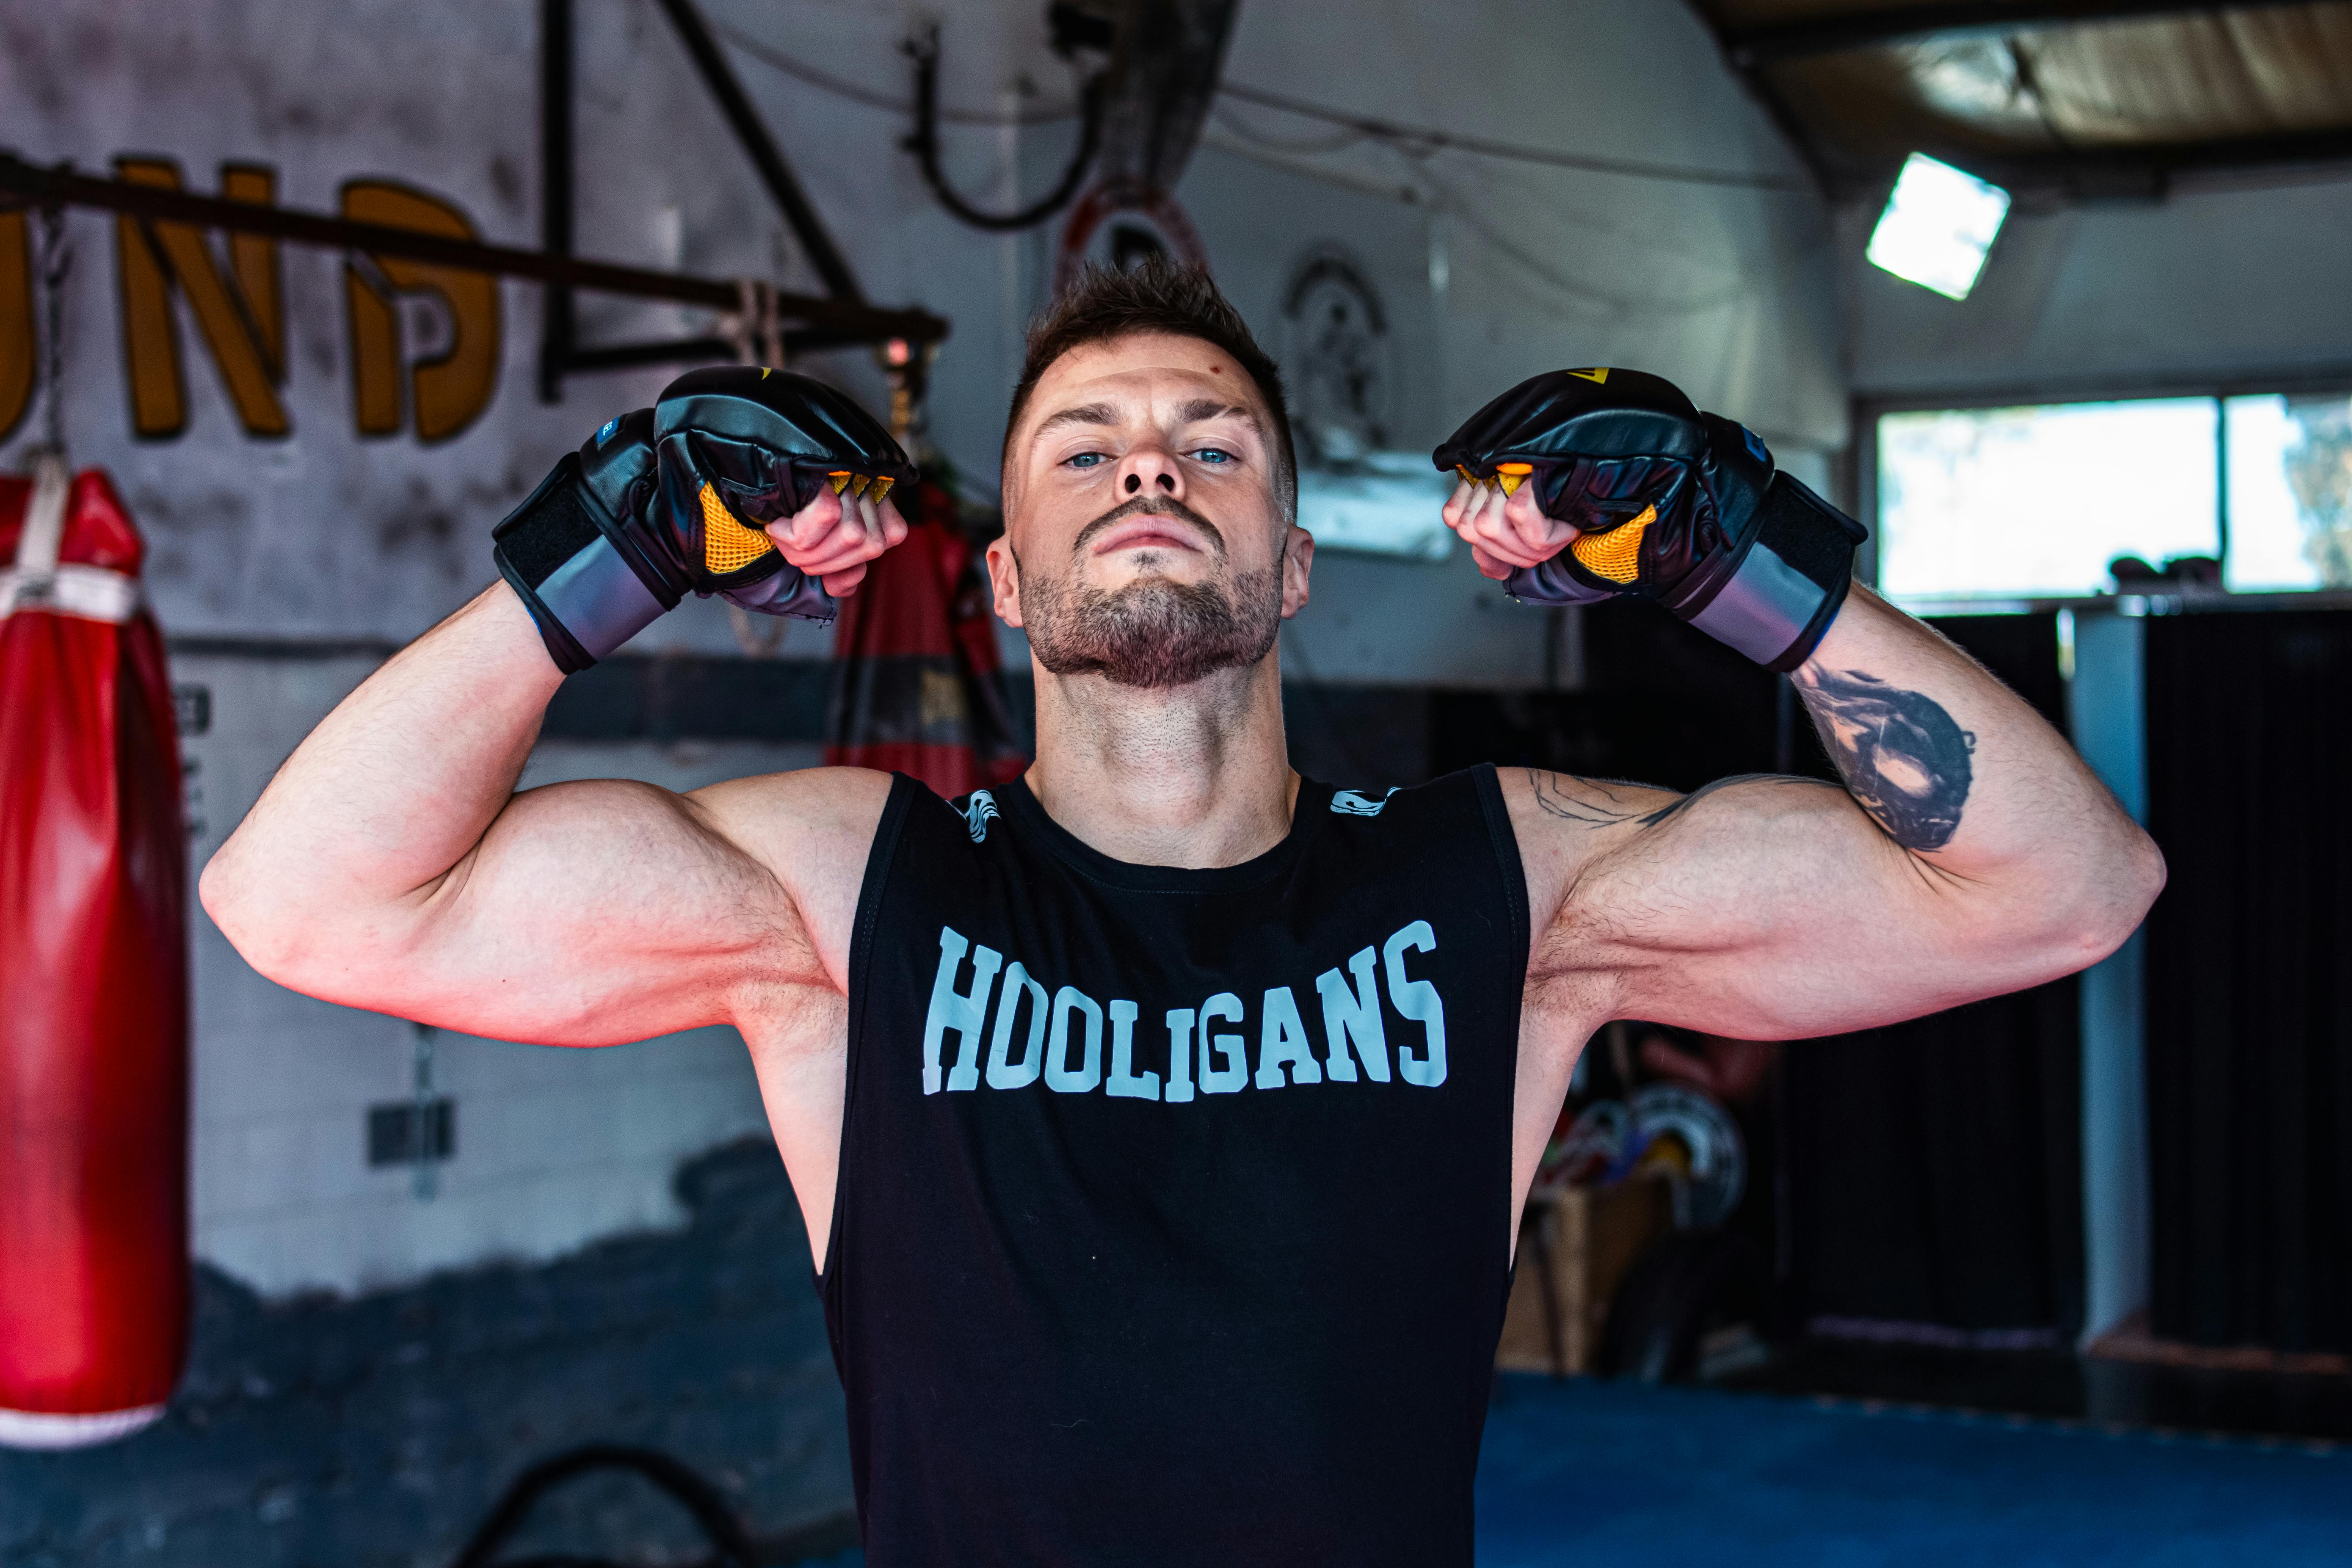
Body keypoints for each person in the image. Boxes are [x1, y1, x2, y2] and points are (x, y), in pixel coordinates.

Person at [203, 261, 2163, 1566]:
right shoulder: (847, 884)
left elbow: (2072, 887)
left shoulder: (1504, 877)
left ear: (1296, 562)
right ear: (1003, 588)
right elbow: (304, 902)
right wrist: (609, 547)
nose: (1152, 458)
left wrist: (1753, 562)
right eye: (1087, 446)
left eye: (1212, 443)